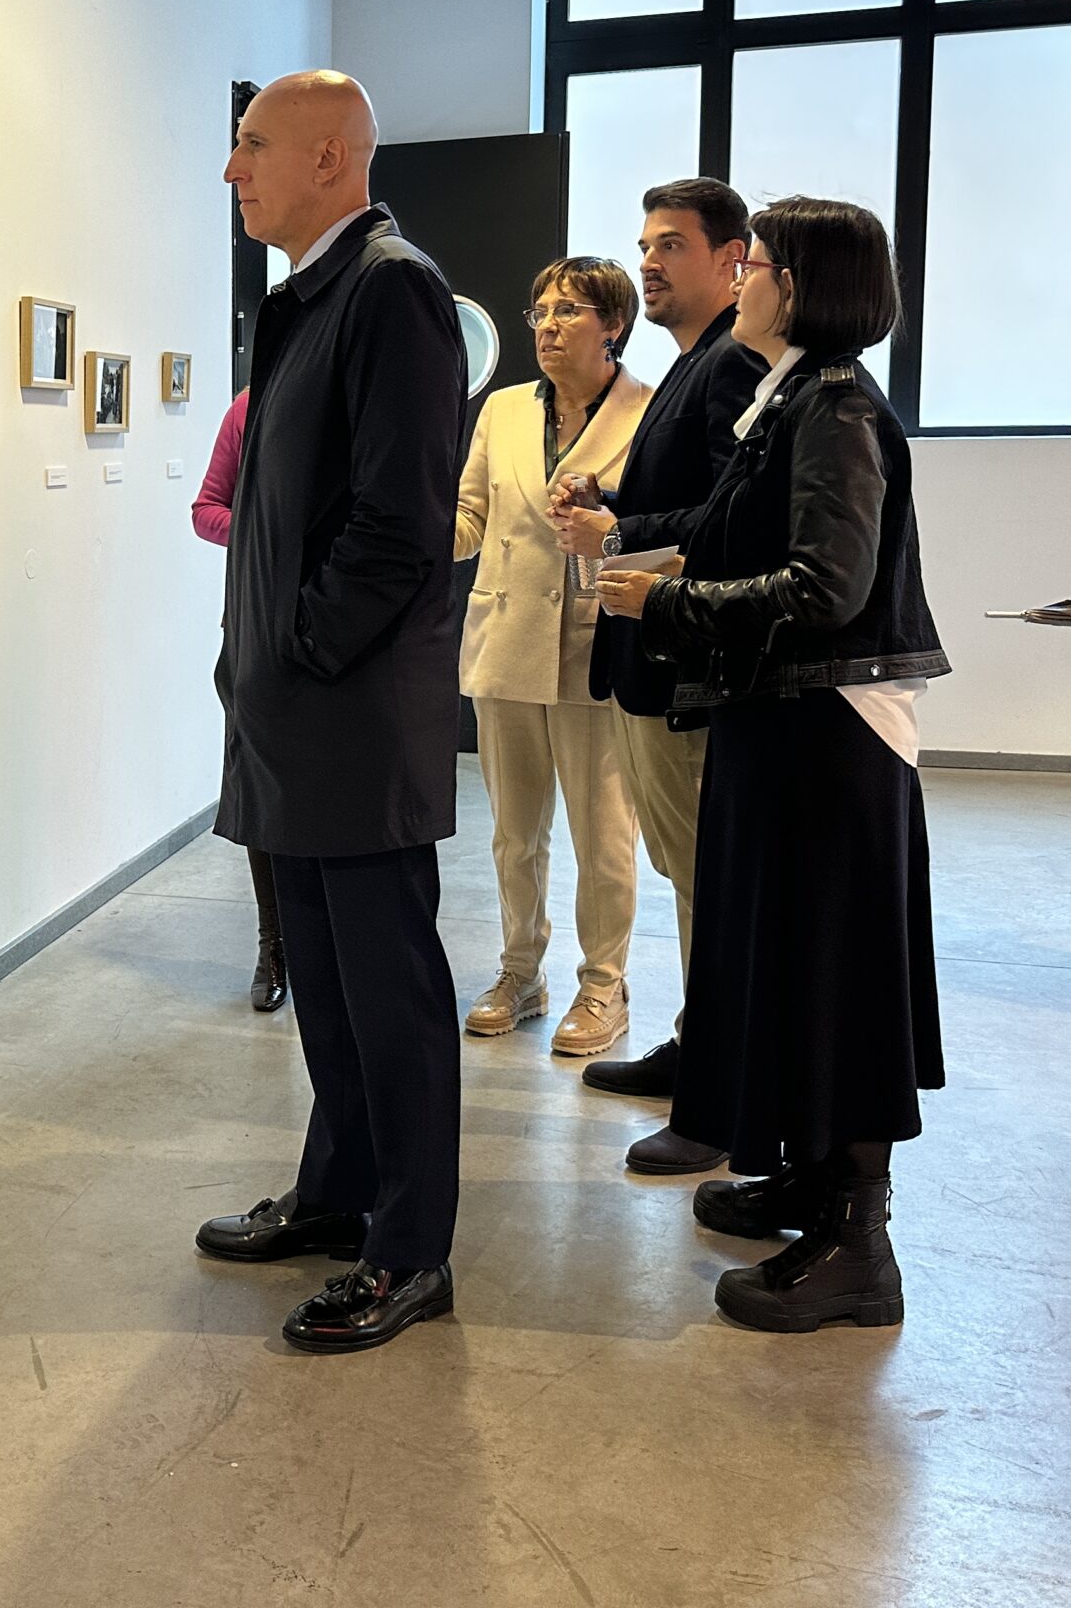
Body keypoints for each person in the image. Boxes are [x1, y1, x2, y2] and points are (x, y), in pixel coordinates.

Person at [598, 195, 948, 1332]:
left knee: (837, 978)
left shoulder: (834, 405)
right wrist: (635, 534)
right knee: (799, 969)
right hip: (787, 726)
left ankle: (857, 1242)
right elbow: (734, 522)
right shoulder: (787, 395)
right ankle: (809, 1182)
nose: (741, 275)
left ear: (795, 288)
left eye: (760, 264)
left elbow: (823, 591)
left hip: (829, 735)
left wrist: (669, 600)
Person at [196, 70, 465, 1354]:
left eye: (248, 146)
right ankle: (338, 1193)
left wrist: (298, 652)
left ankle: (409, 1255)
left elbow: (397, 526)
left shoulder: (392, 288)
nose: (232, 169)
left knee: (389, 996)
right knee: (327, 992)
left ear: (325, 156)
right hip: (296, 720)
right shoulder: (306, 296)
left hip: (348, 717)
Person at [547, 179, 768, 1176]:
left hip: (686, 667)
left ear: (732, 261)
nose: (648, 260)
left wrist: (620, 529)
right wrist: (615, 497)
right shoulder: (693, 363)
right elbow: (691, 493)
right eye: (644, 243)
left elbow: (733, 523)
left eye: (671, 244)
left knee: (705, 888)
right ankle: (697, 1046)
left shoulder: (727, 367)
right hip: (653, 661)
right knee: (691, 884)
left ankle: (720, 1090)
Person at [456, 257, 652, 1055]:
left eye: (569, 310)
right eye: (540, 310)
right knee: (513, 833)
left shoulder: (649, 409)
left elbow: (664, 524)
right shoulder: (502, 410)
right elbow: (471, 512)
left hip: (593, 646)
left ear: (613, 325)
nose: (547, 324)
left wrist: (613, 526)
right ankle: (519, 972)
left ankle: (604, 986)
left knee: (604, 833)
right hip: (504, 641)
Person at [192, 387, 288, 1014]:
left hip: (338, 638)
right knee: (260, 793)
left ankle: (321, 946)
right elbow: (205, 510)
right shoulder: (248, 407)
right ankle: (273, 945)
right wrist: (264, 529)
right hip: (253, 630)